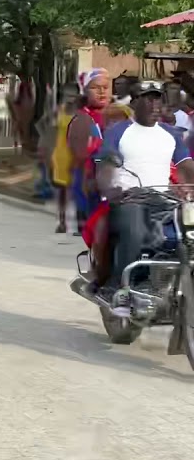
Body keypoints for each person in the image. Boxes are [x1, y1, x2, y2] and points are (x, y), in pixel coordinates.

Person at [91, 83, 194, 303]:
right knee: (137, 233)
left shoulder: (171, 134)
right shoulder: (118, 132)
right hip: (129, 198)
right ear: (134, 102)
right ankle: (117, 286)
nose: (155, 105)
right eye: (148, 99)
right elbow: (104, 167)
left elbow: (186, 167)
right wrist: (111, 189)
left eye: (158, 99)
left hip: (165, 200)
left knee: (187, 237)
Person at [66, 69, 111, 236]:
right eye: (95, 88)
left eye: (105, 87)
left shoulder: (120, 114)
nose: (102, 92)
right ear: (85, 91)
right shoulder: (81, 118)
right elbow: (78, 151)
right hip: (88, 171)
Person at [47, 84, 80, 233]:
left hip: (76, 154)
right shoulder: (58, 110)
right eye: (68, 94)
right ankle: (61, 221)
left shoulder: (81, 113)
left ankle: (81, 223)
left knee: (77, 190)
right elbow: (51, 133)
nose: (70, 97)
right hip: (60, 155)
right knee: (61, 191)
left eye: (73, 94)